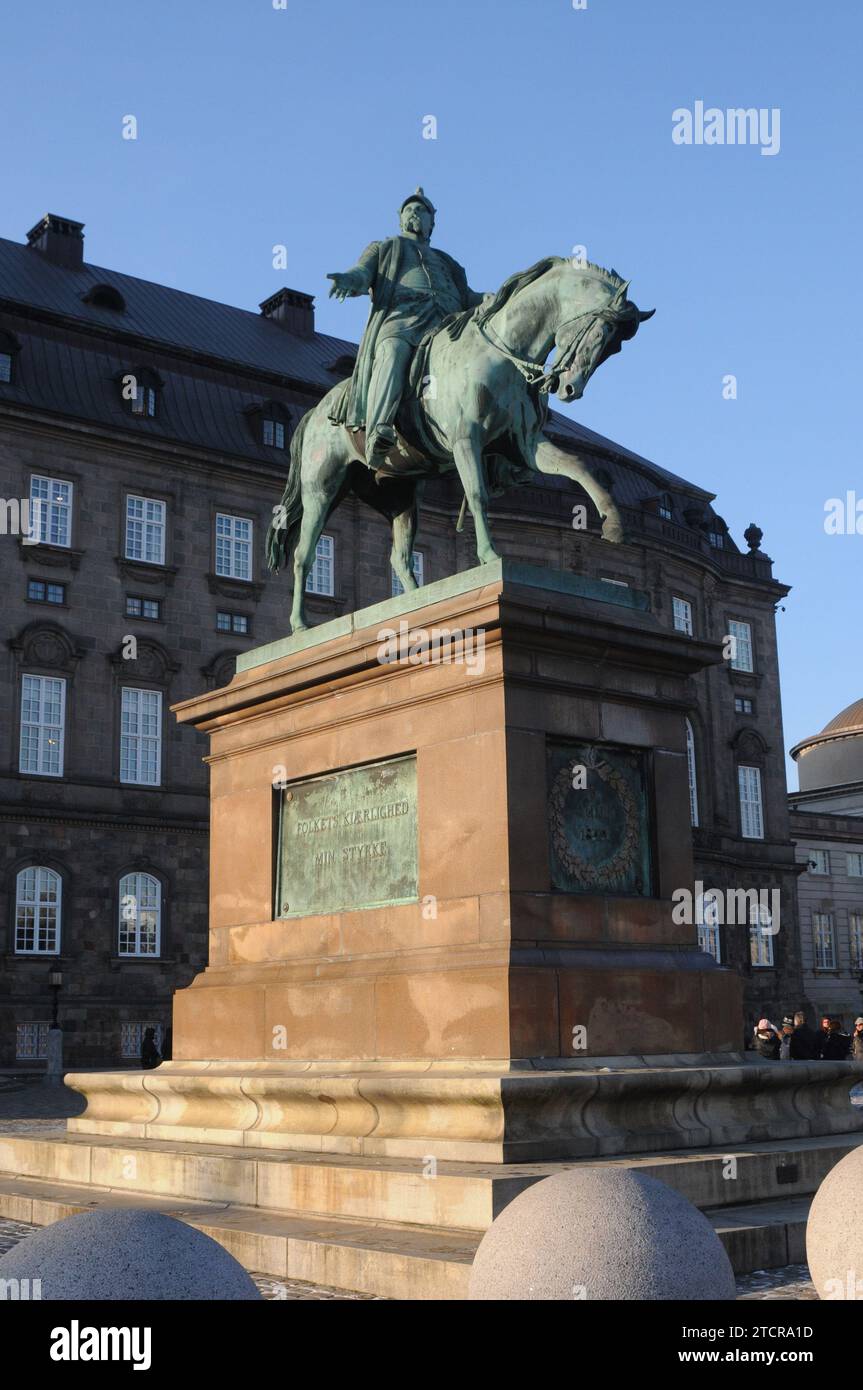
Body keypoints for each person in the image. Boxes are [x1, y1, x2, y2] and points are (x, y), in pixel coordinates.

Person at [327, 188, 484, 464]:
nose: (414, 213)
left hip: (448, 326)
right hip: (403, 320)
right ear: (400, 219)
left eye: (421, 210)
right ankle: (379, 430)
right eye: (409, 210)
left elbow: (467, 297)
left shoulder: (448, 262)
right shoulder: (385, 248)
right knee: (393, 351)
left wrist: (497, 297)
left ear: (432, 222)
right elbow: (363, 272)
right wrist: (349, 280)